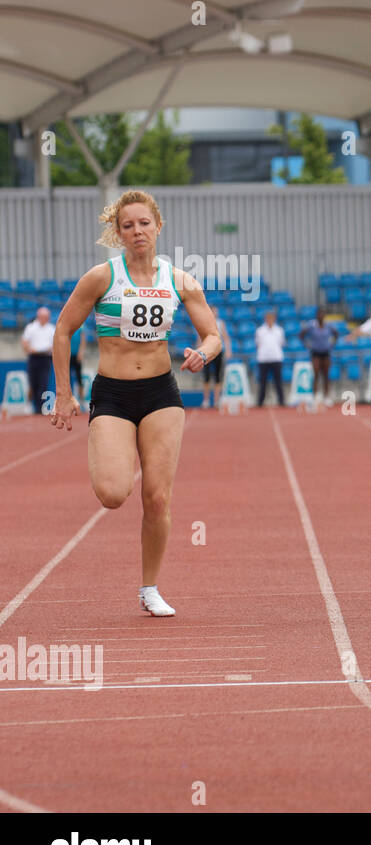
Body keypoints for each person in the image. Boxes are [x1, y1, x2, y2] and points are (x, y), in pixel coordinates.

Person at [48, 189, 221, 616]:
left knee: (157, 498)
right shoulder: (101, 277)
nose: (137, 231)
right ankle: (109, 449)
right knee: (112, 493)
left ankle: (150, 587)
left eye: (144, 223)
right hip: (113, 393)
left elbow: (214, 334)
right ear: (118, 233)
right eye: (128, 225)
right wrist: (64, 393)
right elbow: (63, 331)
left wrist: (205, 352)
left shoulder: (180, 281)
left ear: (158, 226)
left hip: (162, 393)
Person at [21, 306, 56, 413]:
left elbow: (55, 344)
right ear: (38, 316)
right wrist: (29, 349)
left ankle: (40, 408)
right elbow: (24, 341)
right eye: (43, 316)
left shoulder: (51, 328)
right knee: (33, 383)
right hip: (34, 358)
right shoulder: (31, 327)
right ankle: (34, 406)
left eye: (46, 317)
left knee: (43, 382)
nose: (45, 318)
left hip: (46, 358)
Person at [300, 311, 338, 406]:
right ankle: (315, 396)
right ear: (317, 316)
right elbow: (301, 334)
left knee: (326, 375)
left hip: (326, 352)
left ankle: (326, 396)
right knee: (316, 374)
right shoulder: (312, 326)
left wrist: (332, 343)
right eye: (319, 314)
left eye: (322, 314)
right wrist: (306, 344)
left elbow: (336, 333)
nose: (321, 316)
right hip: (316, 353)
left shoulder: (328, 326)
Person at [200, 305, 231, 409]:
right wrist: (199, 351)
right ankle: (206, 400)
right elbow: (199, 338)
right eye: (213, 311)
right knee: (206, 377)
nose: (214, 313)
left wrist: (228, 350)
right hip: (207, 352)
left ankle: (216, 400)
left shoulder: (220, 323)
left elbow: (226, 337)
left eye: (215, 311)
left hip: (218, 352)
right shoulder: (204, 323)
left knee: (218, 377)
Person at [254, 309, 286, 407]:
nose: (270, 320)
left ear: (274, 319)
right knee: (262, 382)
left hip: (276, 358)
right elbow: (258, 343)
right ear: (265, 319)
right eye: (268, 318)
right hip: (263, 359)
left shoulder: (279, 330)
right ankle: (260, 402)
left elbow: (282, 343)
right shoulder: (260, 331)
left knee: (278, 382)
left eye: (271, 318)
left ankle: (281, 401)